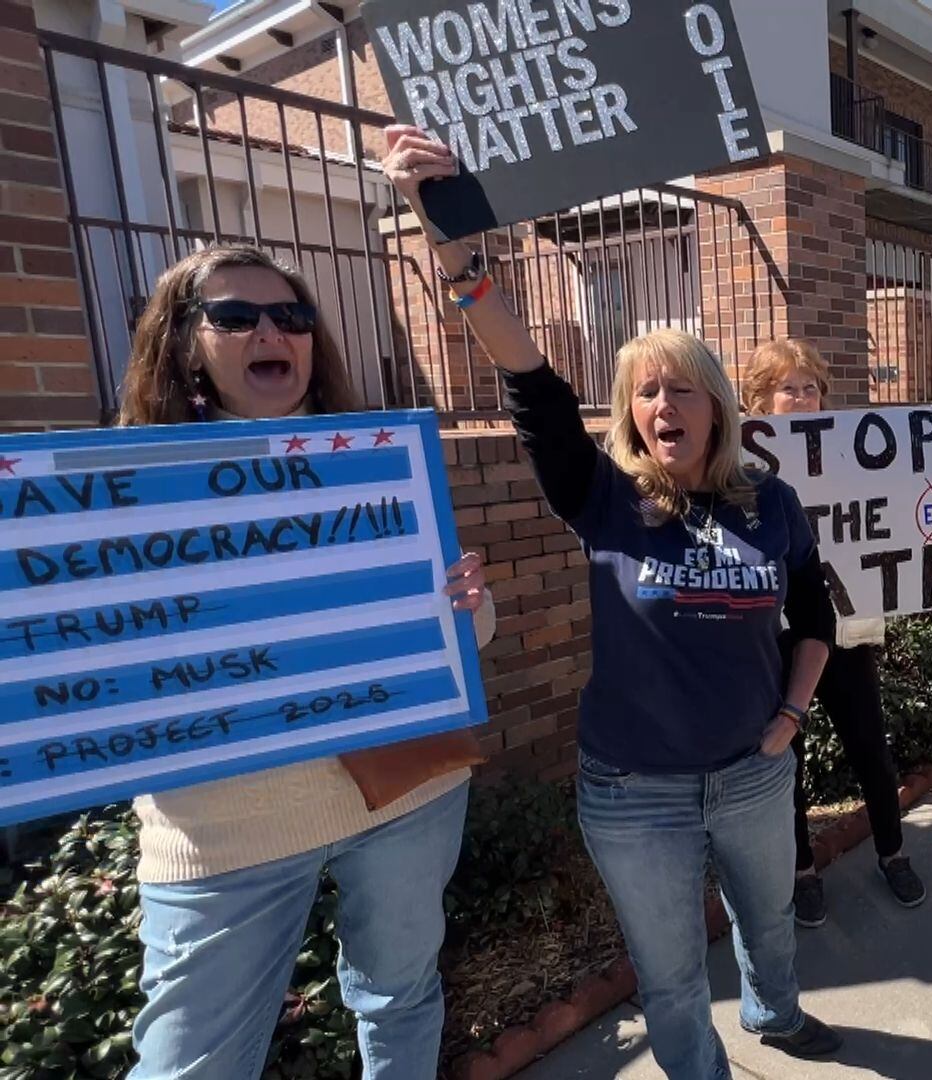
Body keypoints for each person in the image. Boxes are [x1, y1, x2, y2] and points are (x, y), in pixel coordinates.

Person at [384, 126, 841, 1075]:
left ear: (718, 406)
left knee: (768, 921)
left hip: (754, 775)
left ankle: (776, 1013)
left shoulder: (770, 502)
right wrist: (456, 255)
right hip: (635, 793)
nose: (664, 405)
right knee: (670, 976)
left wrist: (793, 714)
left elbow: (816, 616)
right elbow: (532, 383)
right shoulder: (602, 497)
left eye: (684, 389)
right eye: (645, 392)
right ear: (631, 412)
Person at [117, 244, 494, 1079]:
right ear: (183, 344)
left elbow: (463, 634)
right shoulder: (126, 487)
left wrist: (466, 605)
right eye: (235, 316)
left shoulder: (372, 462)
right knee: (192, 1064)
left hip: (406, 789)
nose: (272, 332)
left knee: (402, 998)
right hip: (225, 827)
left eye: (292, 316)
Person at [741, 338, 932, 924]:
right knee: (786, 762)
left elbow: (915, 495)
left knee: (871, 749)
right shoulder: (738, 473)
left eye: (811, 388)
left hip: (844, 637)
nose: (804, 398)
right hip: (776, 642)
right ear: (760, 402)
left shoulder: (848, 452)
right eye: (789, 388)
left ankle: (893, 853)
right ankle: (802, 870)